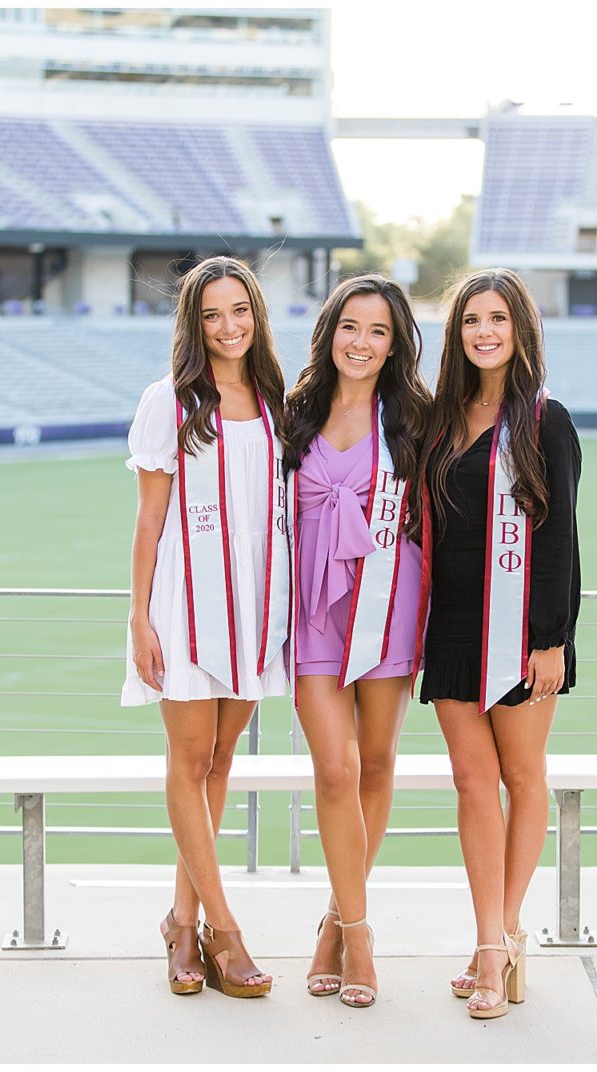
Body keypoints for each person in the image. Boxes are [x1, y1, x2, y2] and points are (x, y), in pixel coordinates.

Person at [416, 268, 582, 1020]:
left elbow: (562, 540)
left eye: (497, 319)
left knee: (521, 775)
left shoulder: (547, 420)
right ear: (456, 335)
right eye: (470, 320)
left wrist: (552, 639)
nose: (484, 332)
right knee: (471, 783)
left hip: (523, 633)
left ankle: (503, 935)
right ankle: (491, 939)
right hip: (453, 627)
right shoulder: (438, 420)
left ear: (520, 330)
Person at [122, 256, 290, 999]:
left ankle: (179, 922)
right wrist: (138, 617)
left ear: (257, 315)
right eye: (212, 314)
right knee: (190, 762)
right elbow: (150, 518)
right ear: (194, 323)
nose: (228, 327)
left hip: (255, 606)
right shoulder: (170, 400)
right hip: (186, 606)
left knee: (221, 760)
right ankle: (223, 931)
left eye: (240, 311)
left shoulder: (277, 398)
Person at [284, 275, 432, 1010]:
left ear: (396, 342)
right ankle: (360, 932)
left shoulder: (416, 419)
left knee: (375, 763)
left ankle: (333, 925)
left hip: (388, 607)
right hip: (315, 610)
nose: (362, 343)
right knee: (334, 772)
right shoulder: (296, 414)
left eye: (378, 331)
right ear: (330, 331)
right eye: (350, 327)